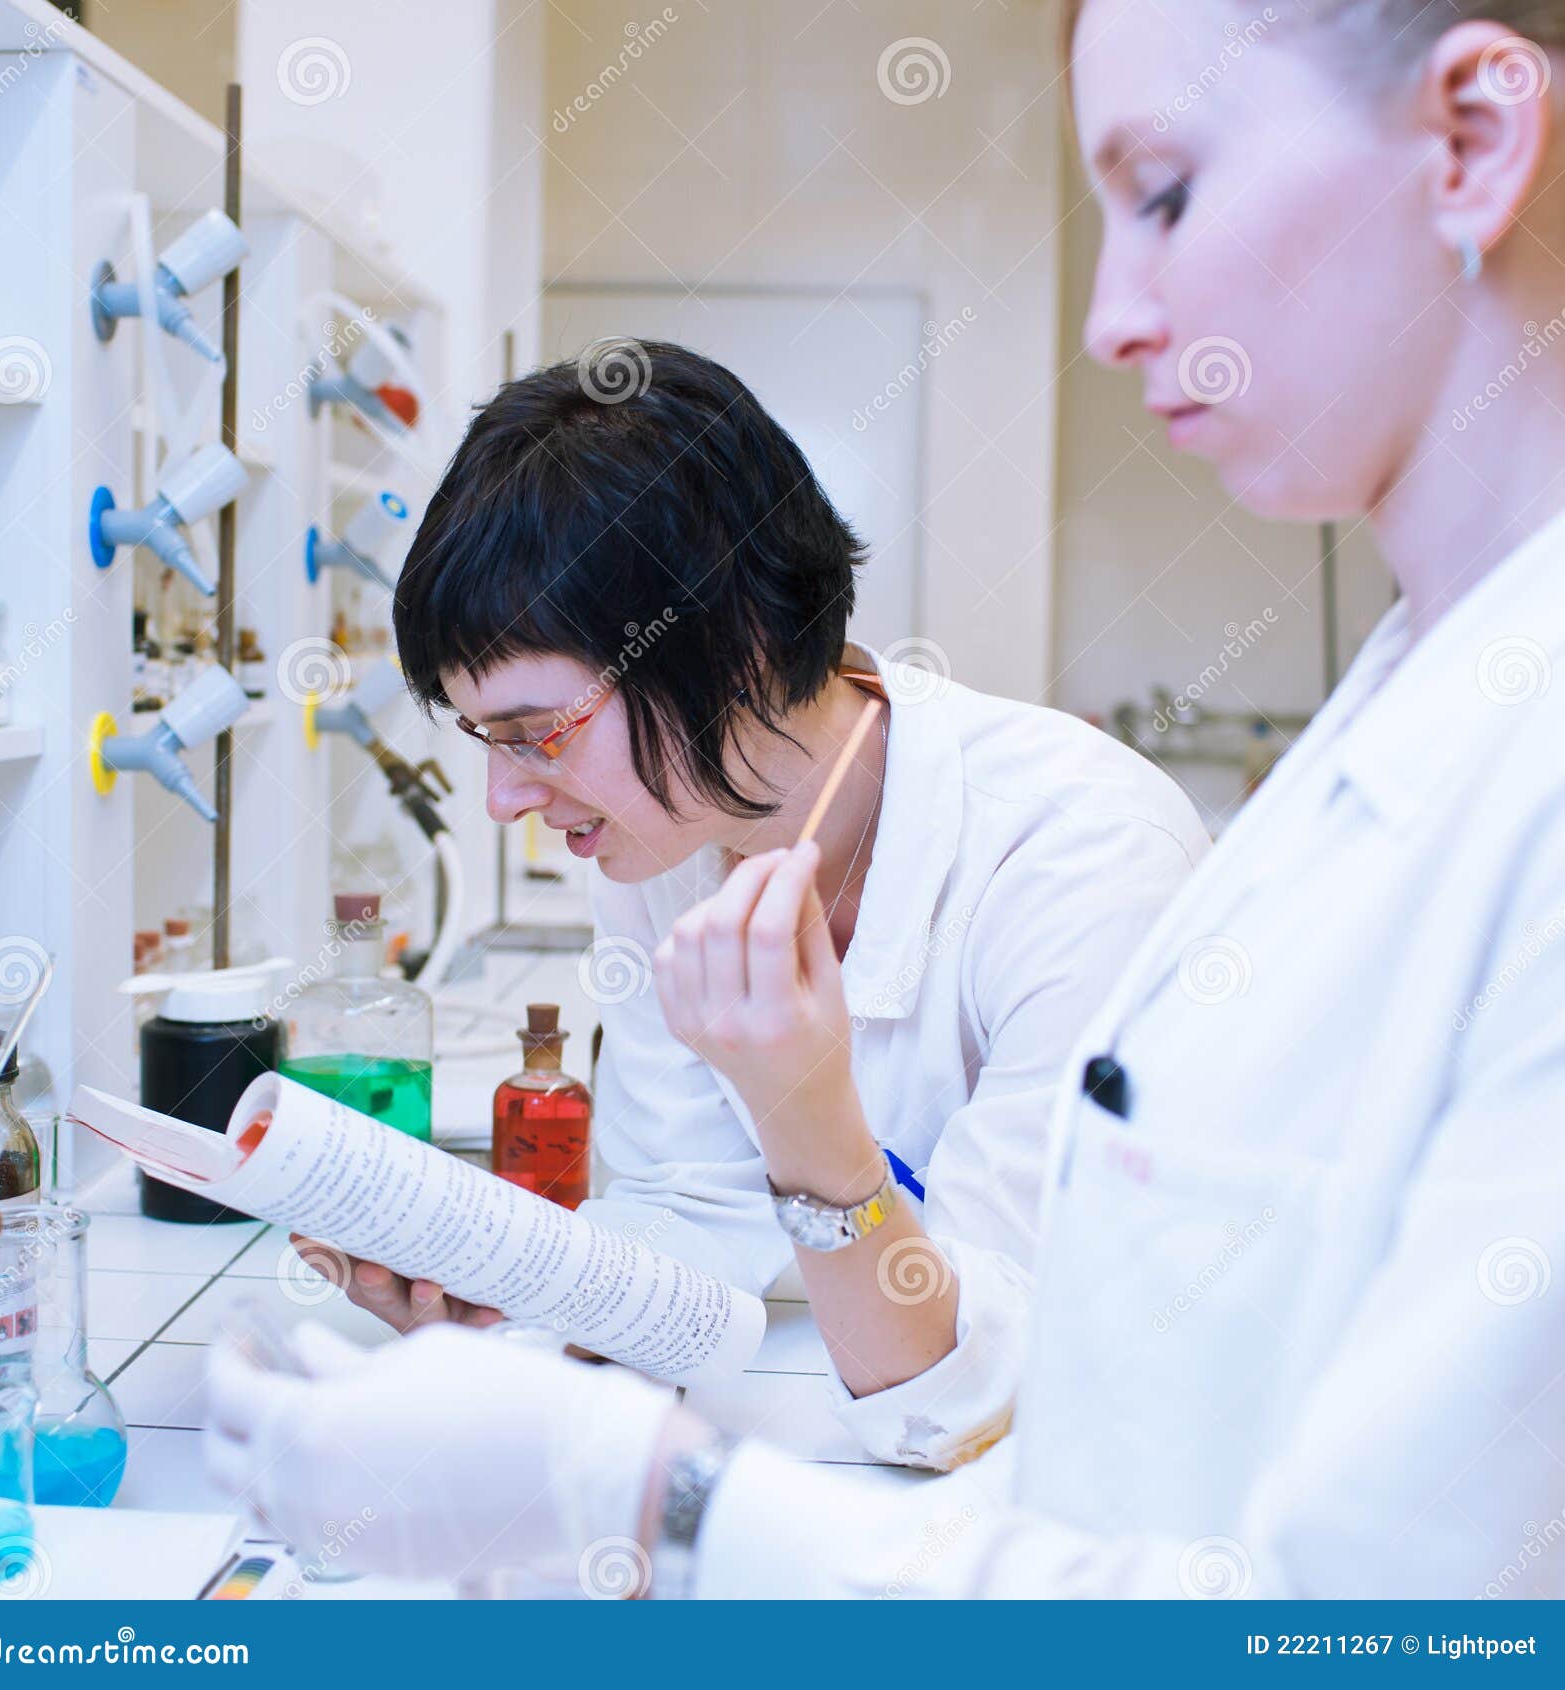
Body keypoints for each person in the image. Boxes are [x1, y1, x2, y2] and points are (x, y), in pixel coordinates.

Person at [209, 0, 1565, 1598]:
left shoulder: (1099, 841)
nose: (1115, 318)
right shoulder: (1402, 720)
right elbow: (692, 1254)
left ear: (1473, 138)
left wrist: (664, 1471)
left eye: (1171, 191)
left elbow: (1347, 1594)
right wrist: (529, 1321)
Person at [292, 342, 1207, 1470]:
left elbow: (966, 1399)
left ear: (734, 646)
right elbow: (686, 1204)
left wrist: (803, 1106)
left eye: (537, 734)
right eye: (485, 738)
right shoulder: (673, 835)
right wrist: (521, 1305)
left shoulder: (1080, 856)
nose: (501, 797)